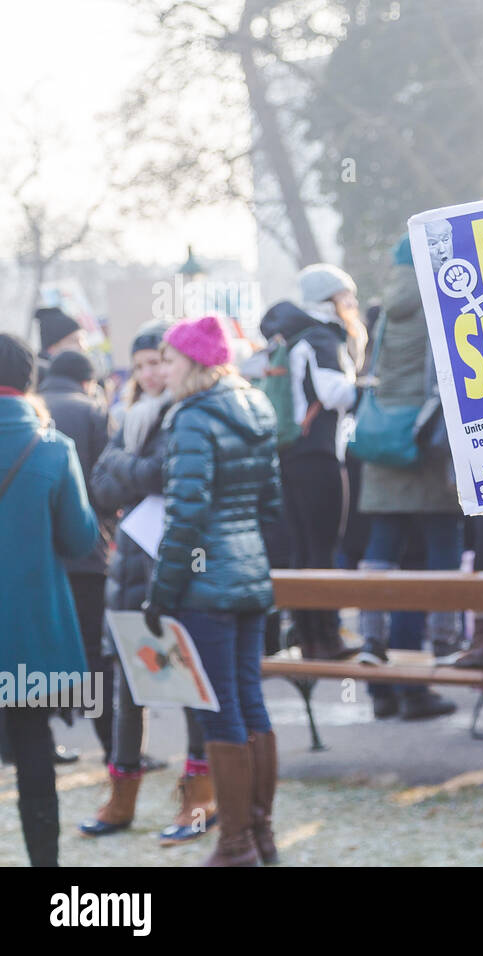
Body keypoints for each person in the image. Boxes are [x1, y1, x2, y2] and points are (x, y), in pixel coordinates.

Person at [142, 315, 283, 866]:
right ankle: (261, 834)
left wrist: (161, 591)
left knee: (218, 709)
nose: (165, 370)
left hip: (206, 584)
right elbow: (269, 504)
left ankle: (235, 844)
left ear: (196, 364)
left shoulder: (193, 418)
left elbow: (186, 516)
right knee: (250, 702)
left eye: (171, 360)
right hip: (249, 574)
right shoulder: (256, 408)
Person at [81, 319, 215, 844]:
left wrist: (123, 466)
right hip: (129, 567)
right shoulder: (130, 418)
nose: (150, 372)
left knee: (186, 682)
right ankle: (121, 793)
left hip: (176, 567)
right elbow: (97, 484)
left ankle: (200, 795)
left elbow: (162, 474)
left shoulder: (187, 415)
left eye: (157, 361)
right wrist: (128, 466)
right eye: (139, 365)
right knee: (128, 686)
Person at [0, 332, 98, 866]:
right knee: (32, 743)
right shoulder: (53, 447)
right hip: (30, 628)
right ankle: (46, 866)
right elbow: (81, 540)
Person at [354, 236, 459, 720]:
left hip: (382, 446)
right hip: (425, 442)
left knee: (383, 546)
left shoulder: (387, 308)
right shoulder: (443, 302)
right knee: (442, 544)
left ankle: (371, 646)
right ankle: (441, 649)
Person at [258, 264, 363, 660]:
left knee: (303, 549)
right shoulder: (322, 336)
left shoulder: (294, 335)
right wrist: (366, 388)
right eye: (345, 296)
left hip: (290, 453)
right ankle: (327, 638)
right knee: (322, 548)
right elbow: (334, 392)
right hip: (319, 455)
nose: (350, 304)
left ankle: (308, 636)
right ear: (331, 299)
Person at [37, 349, 113, 760]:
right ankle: (110, 743)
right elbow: (107, 483)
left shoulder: (29, 412)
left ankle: (37, 740)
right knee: (93, 651)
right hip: (86, 556)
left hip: (34, 562)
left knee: (37, 650)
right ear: (86, 380)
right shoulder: (92, 412)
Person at [34, 307, 88, 388]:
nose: (82, 347)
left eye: (82, 340)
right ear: (52, 347)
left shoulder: (83, 374)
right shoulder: (39, 378)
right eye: (73, 341)